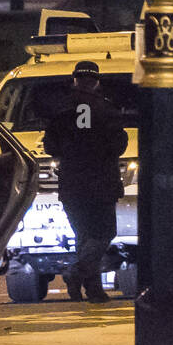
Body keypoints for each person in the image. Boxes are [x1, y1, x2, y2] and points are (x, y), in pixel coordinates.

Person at [43, 60, 128, 303]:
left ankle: (92, 290)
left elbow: (50, 146)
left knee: (84, 235)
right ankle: (77, 273)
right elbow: (119, 145)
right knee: (103, 233)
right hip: (101, 183)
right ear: (97, 82)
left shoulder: (60, 110)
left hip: (72, 184)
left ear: (75, 80)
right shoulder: (107, 109)